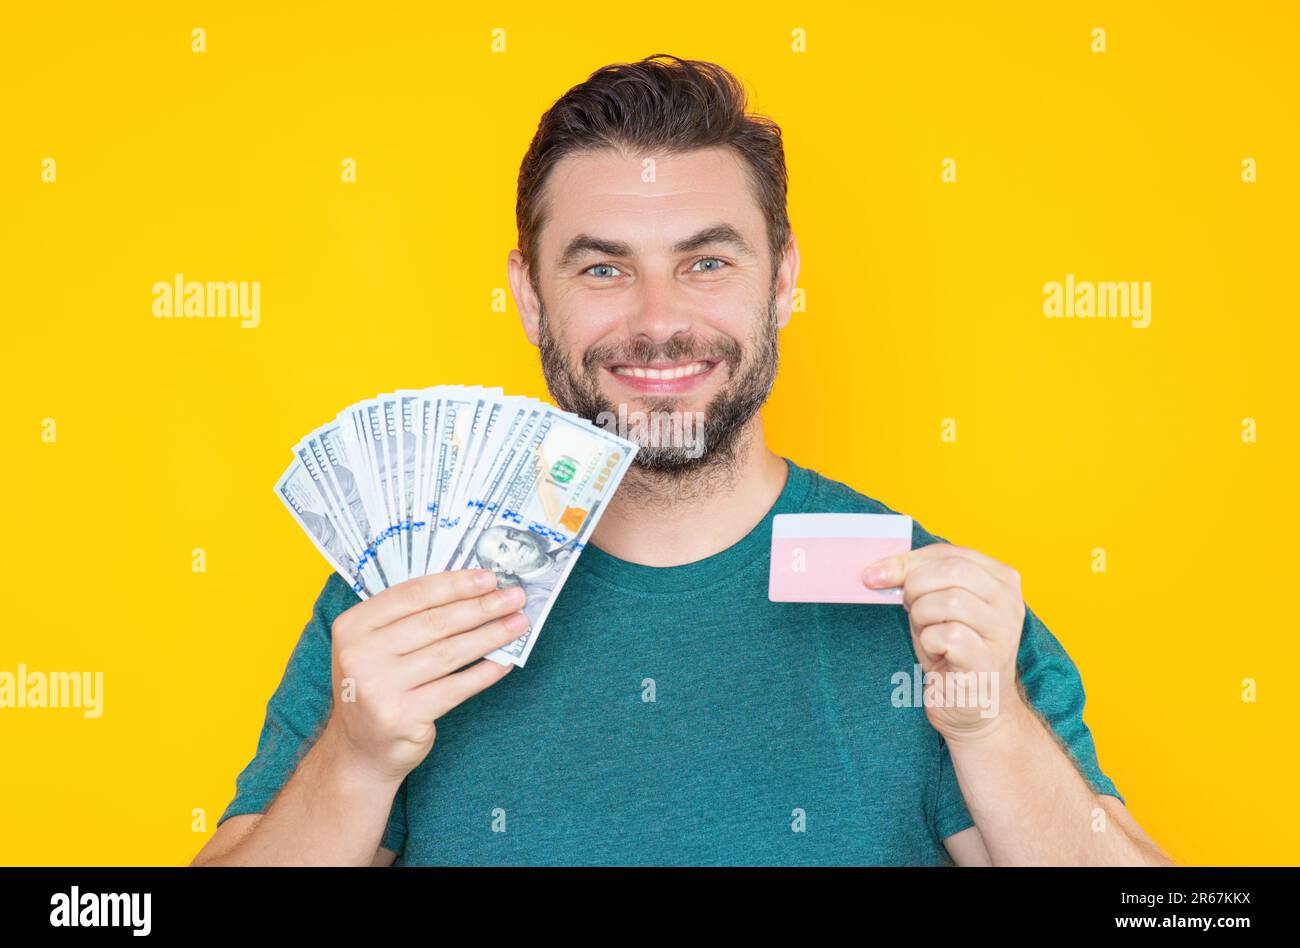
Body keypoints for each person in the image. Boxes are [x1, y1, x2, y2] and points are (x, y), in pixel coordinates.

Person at [193, 54, 1172, 866]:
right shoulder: (405, 595)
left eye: (706, 261)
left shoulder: (934, 611)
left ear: (782, 279)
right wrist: (357, 761)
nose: (658, 320)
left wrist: (992, 727)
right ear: (530, 296)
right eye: (602, 266)